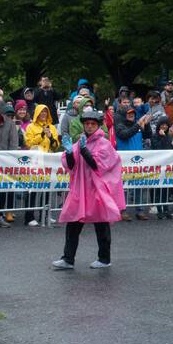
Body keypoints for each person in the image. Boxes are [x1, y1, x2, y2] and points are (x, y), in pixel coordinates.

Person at [51, 111, 123, 270]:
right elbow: (71, 165)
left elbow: (98, 166)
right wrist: (70, 152)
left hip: (97, 190)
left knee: (101, 224)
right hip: (81, 189)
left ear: (98, 125)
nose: (89, 126)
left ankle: (104, 259)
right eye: (87, 124)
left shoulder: (104, 144)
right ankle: (68, 259)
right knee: (73, 224)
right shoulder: (80, 142)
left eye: (93, 124)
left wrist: (83, 151)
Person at [23, 104, 61, 226]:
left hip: (48, 161)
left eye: (46, 112)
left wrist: (51, 138)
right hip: (35, 162)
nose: (44, 114)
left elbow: (56, 146)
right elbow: (28, 143)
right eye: (41, 112)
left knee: (47, 189)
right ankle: (29, 217)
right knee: (33, 189)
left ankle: (44, 215)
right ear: (37, 114)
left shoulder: (52, 128)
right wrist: (42, 135)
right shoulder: (31, 127)